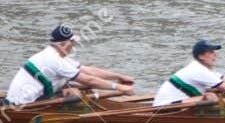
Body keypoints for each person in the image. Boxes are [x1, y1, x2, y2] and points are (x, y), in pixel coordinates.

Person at [5, 25, 134, 106]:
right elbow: (88, 80)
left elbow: (89, 71)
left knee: (73, 89)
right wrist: (119, 87)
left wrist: (119, 77)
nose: (73, 45)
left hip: (27, 98)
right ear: (65, 43)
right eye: (72, 42)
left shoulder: (54, 55)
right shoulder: (54, 60)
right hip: (24, 105)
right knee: (75, 94)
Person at [152, 40, 225, 107]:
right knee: (213, 96)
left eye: (214, 52)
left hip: (180, 103)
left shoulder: (200, 68)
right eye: (211, 52)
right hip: (166, 107)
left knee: (214, 95)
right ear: (201, 56)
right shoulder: (198, 70)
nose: (215, 54)